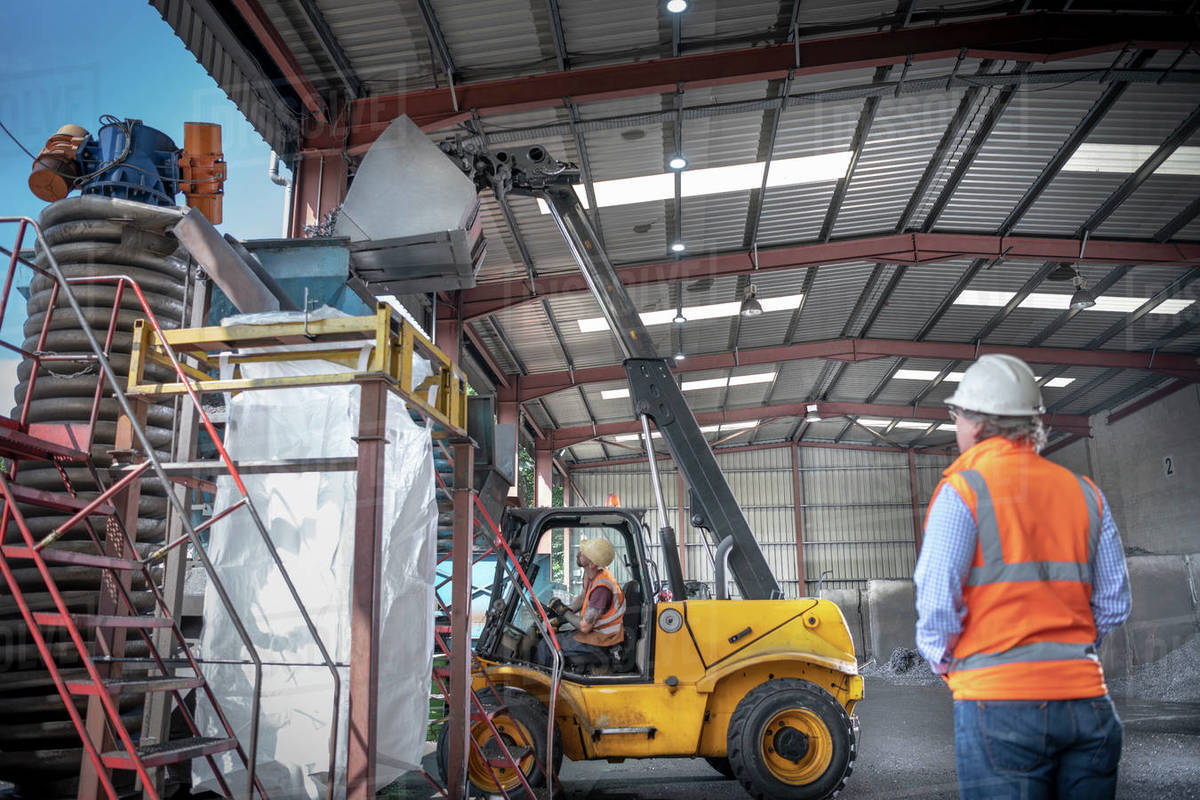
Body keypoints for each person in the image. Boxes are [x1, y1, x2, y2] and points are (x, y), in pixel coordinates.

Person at [913, 353, 1132, 799]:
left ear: (975, 423)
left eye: (956, 415)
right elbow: (1114, 602)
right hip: (1087, 705)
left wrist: (949, 666)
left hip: (998, 704)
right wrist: (1071, 656)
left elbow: (936, 603)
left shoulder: (963, 491)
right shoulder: (1085, 493)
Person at [536, 537, 626, 668]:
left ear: (592, 564)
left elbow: (585, 626)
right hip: (595, 634)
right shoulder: (591, 575)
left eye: (583, 553)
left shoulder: (602, 588)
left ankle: (544, 686)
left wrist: (563, 611)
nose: (578, 553)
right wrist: (566, 612)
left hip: (601, 640)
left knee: (545, 646)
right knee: (550, 636)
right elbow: (583, 596)